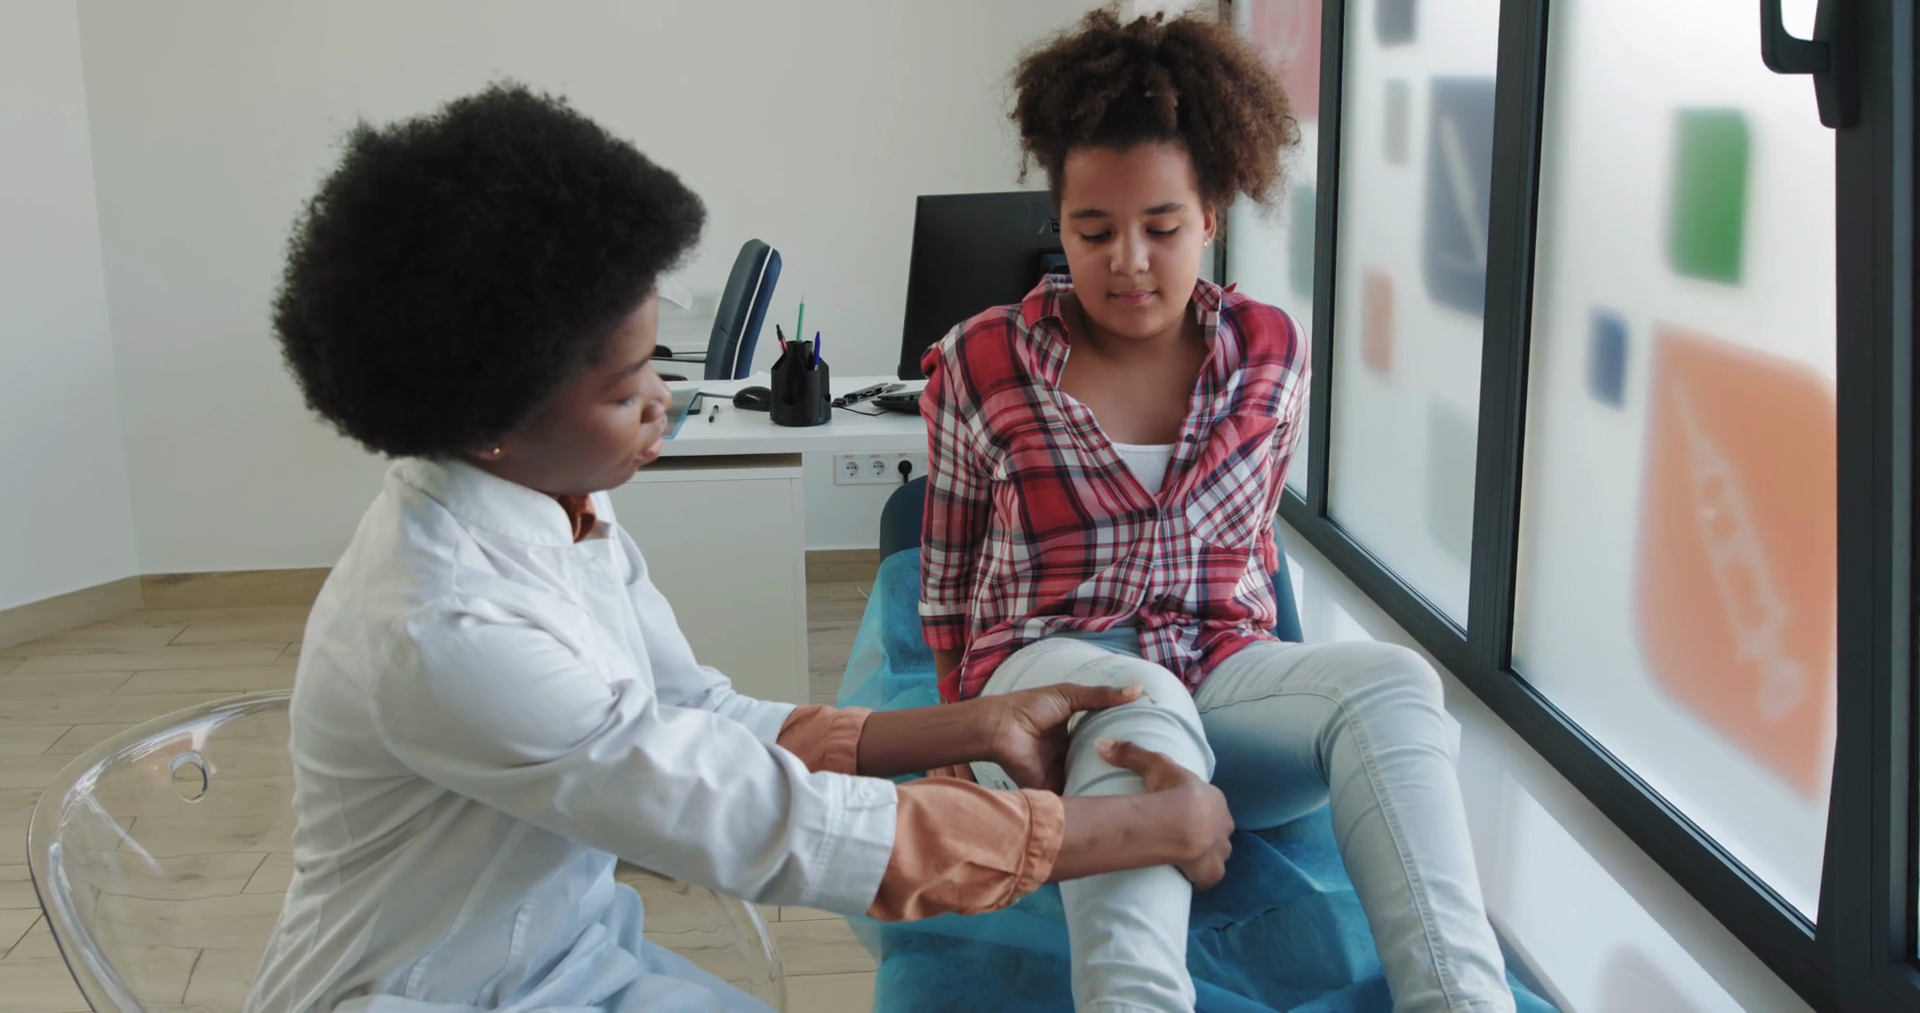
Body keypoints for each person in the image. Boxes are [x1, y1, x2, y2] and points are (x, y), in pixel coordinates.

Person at [244, 83, 1234, 1013]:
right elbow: (766, 824)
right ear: (492, 420)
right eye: (627, 389)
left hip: (567, 957)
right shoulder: (445, 628)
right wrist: (1134, 827)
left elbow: (698, 717)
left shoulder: (558, 507)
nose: (664, 400)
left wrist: (974, 723)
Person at [920, 10, 1514, 1013]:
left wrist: (1268, 665)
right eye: (1093, 231)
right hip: (1047, 687)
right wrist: (960, 729)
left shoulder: (1273, 350)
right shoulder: (984, 357)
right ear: (1058, 222)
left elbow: (1254, 547)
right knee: (1136, 702)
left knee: (1394, 680)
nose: (1128, 261)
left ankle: (1460, 1000)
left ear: (1212, 216)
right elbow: (947, 577)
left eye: (1162, 228)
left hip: (1223, 675)